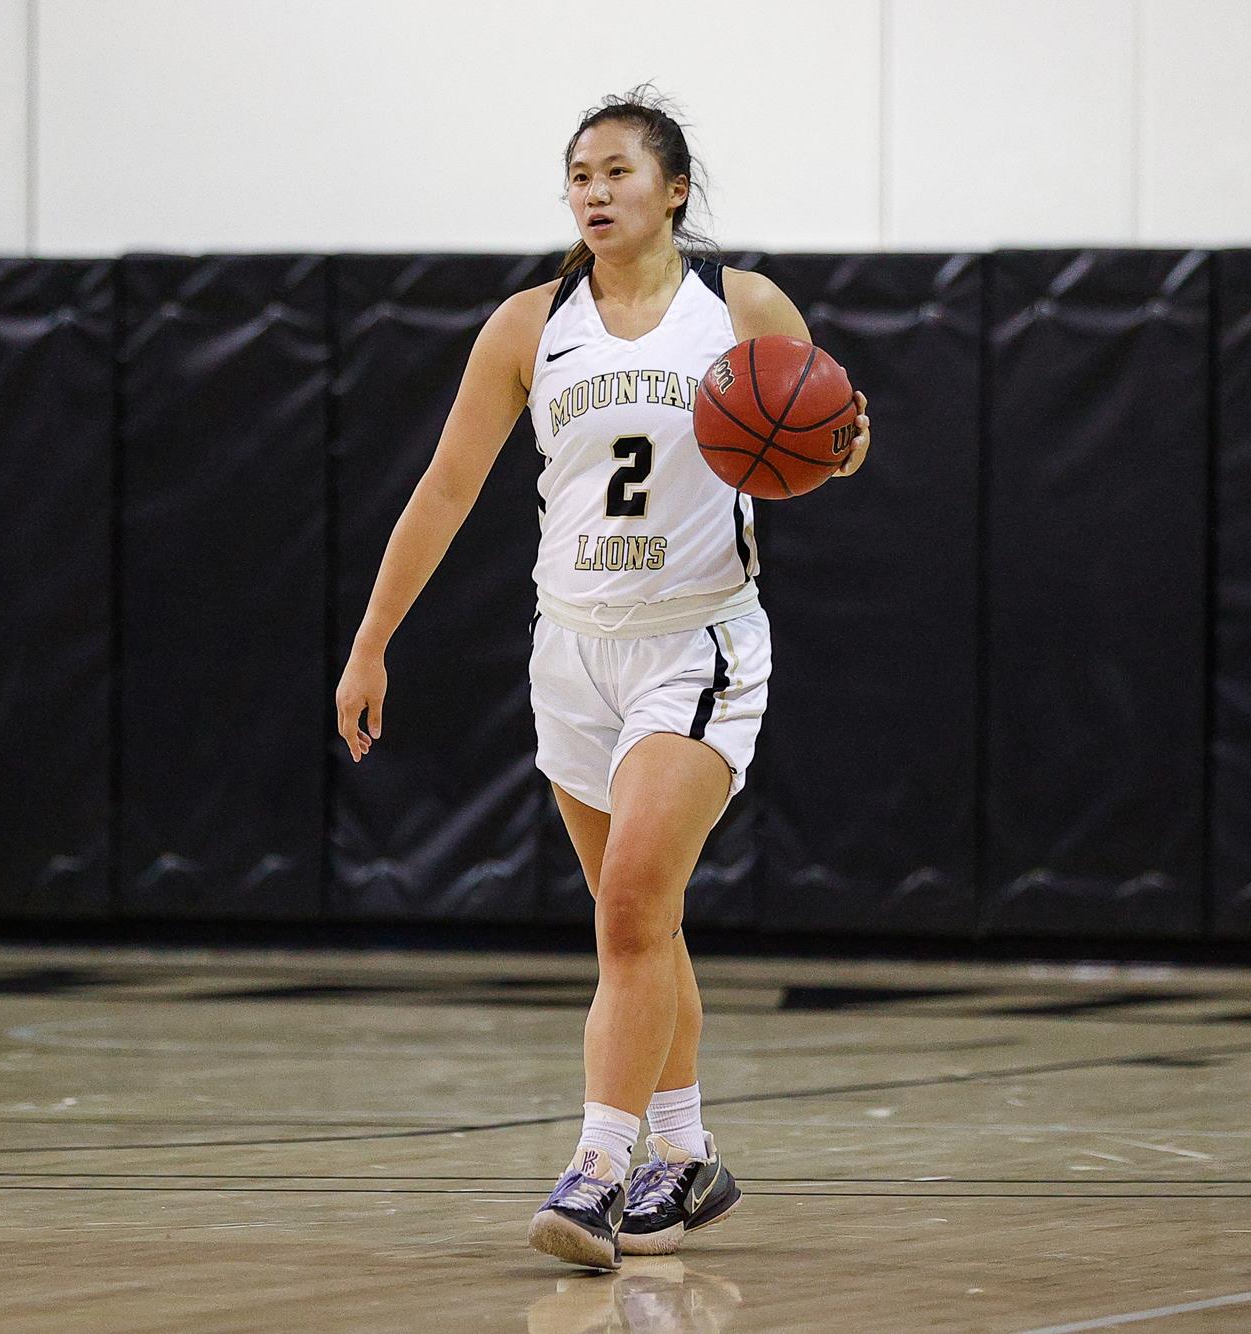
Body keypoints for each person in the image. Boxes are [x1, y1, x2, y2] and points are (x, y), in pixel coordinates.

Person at [334, 87, 871, 1270]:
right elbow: (443, 488)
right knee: (639, 916)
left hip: (697, 641)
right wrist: (372, 638)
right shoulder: (529, 324)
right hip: (570, 646)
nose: (592, 189)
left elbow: (834, 432)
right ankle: (685, 1149)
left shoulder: (739, 306)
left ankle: (595, 1166)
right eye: (578, 173)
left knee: (630, 900)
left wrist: (836, 440)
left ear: (672, 188)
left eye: (617, 170)